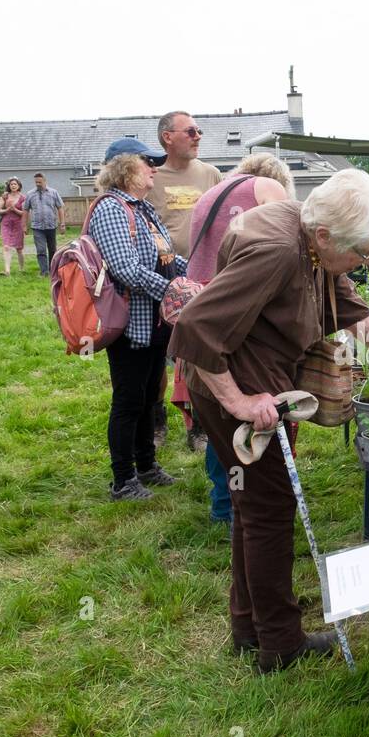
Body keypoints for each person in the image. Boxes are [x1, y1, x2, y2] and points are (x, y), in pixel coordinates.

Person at [170, 169, 369, 673]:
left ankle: (249, 627)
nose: (365, 262)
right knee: (270, 509)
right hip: (237, 389)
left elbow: (360, 318)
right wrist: (238, 401)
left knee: (253, 506)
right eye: (361, 252)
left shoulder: (311, 237)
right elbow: (197, 327)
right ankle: (279, 645)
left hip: (260, 381)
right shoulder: (279, 250)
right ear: (325, 236)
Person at [184, 153, 295, 530]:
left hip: (202, 313)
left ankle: (222, 503)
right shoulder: (267, 189)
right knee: (244, 417)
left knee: (217, 417)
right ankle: (245, 510)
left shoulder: (210, 194)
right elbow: (288, 241)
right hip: (240, 318)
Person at [89, 137, 190, 500]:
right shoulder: (111, 209)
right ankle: (123, 480)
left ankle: (146, 466)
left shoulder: (143, 210)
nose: (155, 167)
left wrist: (196, 274)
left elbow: (167, 259)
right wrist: (175, 293)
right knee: (129, 400)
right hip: (130, 324)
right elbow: (125, 269)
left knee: (150, 396)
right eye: (147, 161)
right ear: (125, 167)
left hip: (155, 323)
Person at [147, 110, 223, 449]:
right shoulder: (151, 177)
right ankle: (156, 419)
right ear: (167, 137)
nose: (198, 136)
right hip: (159, 281)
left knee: (198, 355)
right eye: (190, 131)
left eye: (199, 130)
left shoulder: (211, 174)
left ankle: (200, 426)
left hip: (204, 279)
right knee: (158, 356)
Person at [23, 172, 66, 275]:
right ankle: (44, 271)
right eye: (36, 182)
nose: (38, 184)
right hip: (37, 227)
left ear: (45, 181)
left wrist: (62, 223)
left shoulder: (53, 192)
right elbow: (25, 210)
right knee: (41, 250)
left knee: (52, 249)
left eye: (40, 182)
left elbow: (60, 208)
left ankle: (53, 270)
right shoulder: (30, 194)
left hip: (51, 225)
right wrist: (25, 225)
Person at [0, 177, 27, 275]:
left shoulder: (23, 198)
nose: (13, 186)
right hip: (6, 223)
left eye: (15, 184)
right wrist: (7, 210)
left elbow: (24, 213)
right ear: (9, 186)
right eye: (11, 184)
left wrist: (14, 209)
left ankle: (21, 269)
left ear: (19, 186)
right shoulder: (5, 196)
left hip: (18, 224)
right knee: (6, 246)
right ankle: (7, 271)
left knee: (19, 248)